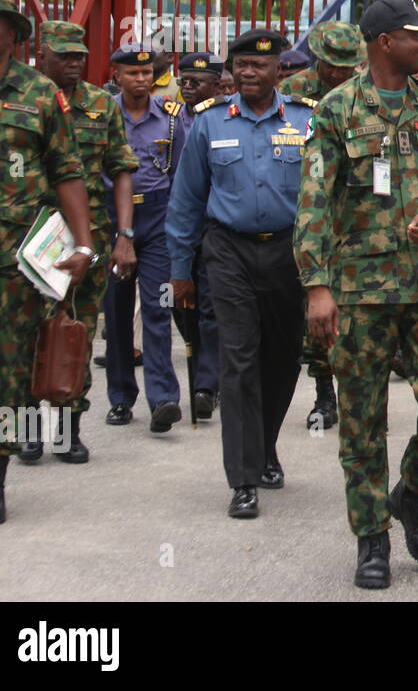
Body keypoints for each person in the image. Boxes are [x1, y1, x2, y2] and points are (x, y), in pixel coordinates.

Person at [295, 0, 418, 589]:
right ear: (384, 41)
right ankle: (372, 537)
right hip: (360, 288)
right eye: (417, 36)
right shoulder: (338, 110)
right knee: (362, 421)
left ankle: (415, 493)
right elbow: (314, 199)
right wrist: (317, 286)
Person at [167, 28, 316, 519]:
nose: (250, 73)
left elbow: (322, 199)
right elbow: (187, 199)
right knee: (238, 362)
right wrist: (180, 269)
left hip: (288, 255)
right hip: (227, 252)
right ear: (232, 72)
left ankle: (266, 445)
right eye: (242, 65)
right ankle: (243, 478)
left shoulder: (305, 119)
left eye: (260, 65)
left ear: (280, 71)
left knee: (282, 359)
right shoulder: (210, 122)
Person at [0, 0, 96, 525]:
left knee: (2, 368)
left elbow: (67, 172)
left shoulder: (40, 94)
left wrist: (85, 244)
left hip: (11, 258)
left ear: (13, 35)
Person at [19, 22, 138, 466]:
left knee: (79, 332)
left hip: (88, 237)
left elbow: (122, 168)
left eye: (79, 57)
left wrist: (125, 236)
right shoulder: (26, 98)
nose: (72, 64)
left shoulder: (100, 105)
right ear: (42, 54)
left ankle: (69, 427)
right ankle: (29, 429)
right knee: (28, 333)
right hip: (30, 239)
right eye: (63, 56)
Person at [279, 22, 366, 431]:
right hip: (307, 209)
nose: (338, 73)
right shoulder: (293, 90)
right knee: (314, 306)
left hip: (354, 213)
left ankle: (359, 395)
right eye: (332, 66)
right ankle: (323, 393)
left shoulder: (364, 89)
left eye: (346, 67)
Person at [103, 42, 187, 433]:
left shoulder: (172, 118)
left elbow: (182, 172)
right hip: (112, 219)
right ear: (116, 74)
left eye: (147, 73)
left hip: (157, 217)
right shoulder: (104, 115)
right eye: (133, 73)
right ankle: (121, 397)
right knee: (118, 311)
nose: (141, 79)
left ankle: (163, 398)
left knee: (158, 307)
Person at [173, 53, 226, 419]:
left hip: (213, 224)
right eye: (184, 80)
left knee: (210, 306)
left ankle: (206, 384)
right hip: (175, 224)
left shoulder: (223, 120)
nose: (188, 86)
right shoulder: (169, 119)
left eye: (197, 81)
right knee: (179, 302)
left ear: (218, 85)